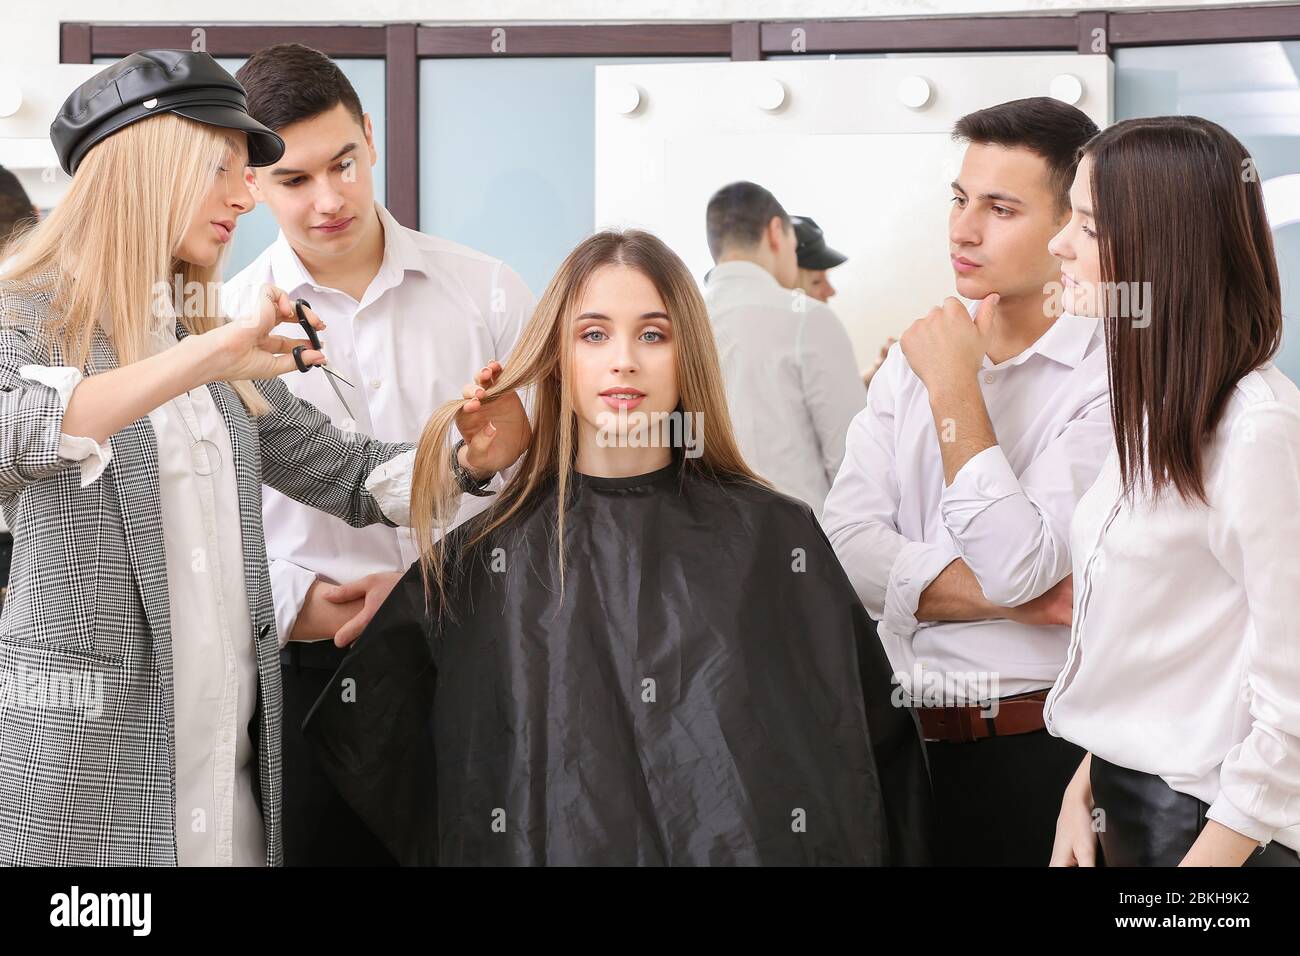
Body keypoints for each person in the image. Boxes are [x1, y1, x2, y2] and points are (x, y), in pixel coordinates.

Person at [0, 50, 526, 867]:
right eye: (225, 170)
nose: (246, 198)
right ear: (151, 164)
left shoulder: (198, 332)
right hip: (89, 776)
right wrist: (206, 359)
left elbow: (352, 478)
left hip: (227, 776)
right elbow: (20, 434)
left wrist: (466, 455)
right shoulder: (29, 312)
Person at [304, 229, 933, 865]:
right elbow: (376, 751)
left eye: (653, 334)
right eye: (594, 334)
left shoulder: (776, 537)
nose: (624, 360)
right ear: (558, 355)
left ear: (687, 355)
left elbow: (859, 757)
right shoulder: (486, 558)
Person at [225, 42, 535, 866]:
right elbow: (210, 525)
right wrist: (301, 601)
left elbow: (549, 487)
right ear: (251, 181)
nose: (330, 199)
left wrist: (437, 587)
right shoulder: (223, 328)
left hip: (482, 653)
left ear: (369, 133)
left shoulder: (491, 292)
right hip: (314, 669)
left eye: (345, 163)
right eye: (294, 180)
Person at [821, 97, 1109, 866]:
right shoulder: (916, 355)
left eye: (1000, 207)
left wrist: (953, 385)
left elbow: (1017, 558)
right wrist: (1004, 599)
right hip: (903, 749)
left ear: (1071, 224)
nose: (963, 228)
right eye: (959, 198)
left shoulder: (1110, 378)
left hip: (1047, 758)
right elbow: (845, 550)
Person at [1046, 116, 1300, 867]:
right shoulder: (1158, 409)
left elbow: (1293, 706)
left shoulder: (1257, 432)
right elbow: (1163, 645)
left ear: (1164, 249)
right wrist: (1086, 782)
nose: (1060, 243)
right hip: (1130, 804)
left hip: (1210, 832)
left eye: (1087, 225)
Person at [702, 182, 865, 516]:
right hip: (802, 545)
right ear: (776, 232)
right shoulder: (809, 319)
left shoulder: (680, 325)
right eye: (794, 245)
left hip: (709, 550)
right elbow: (853, 467)